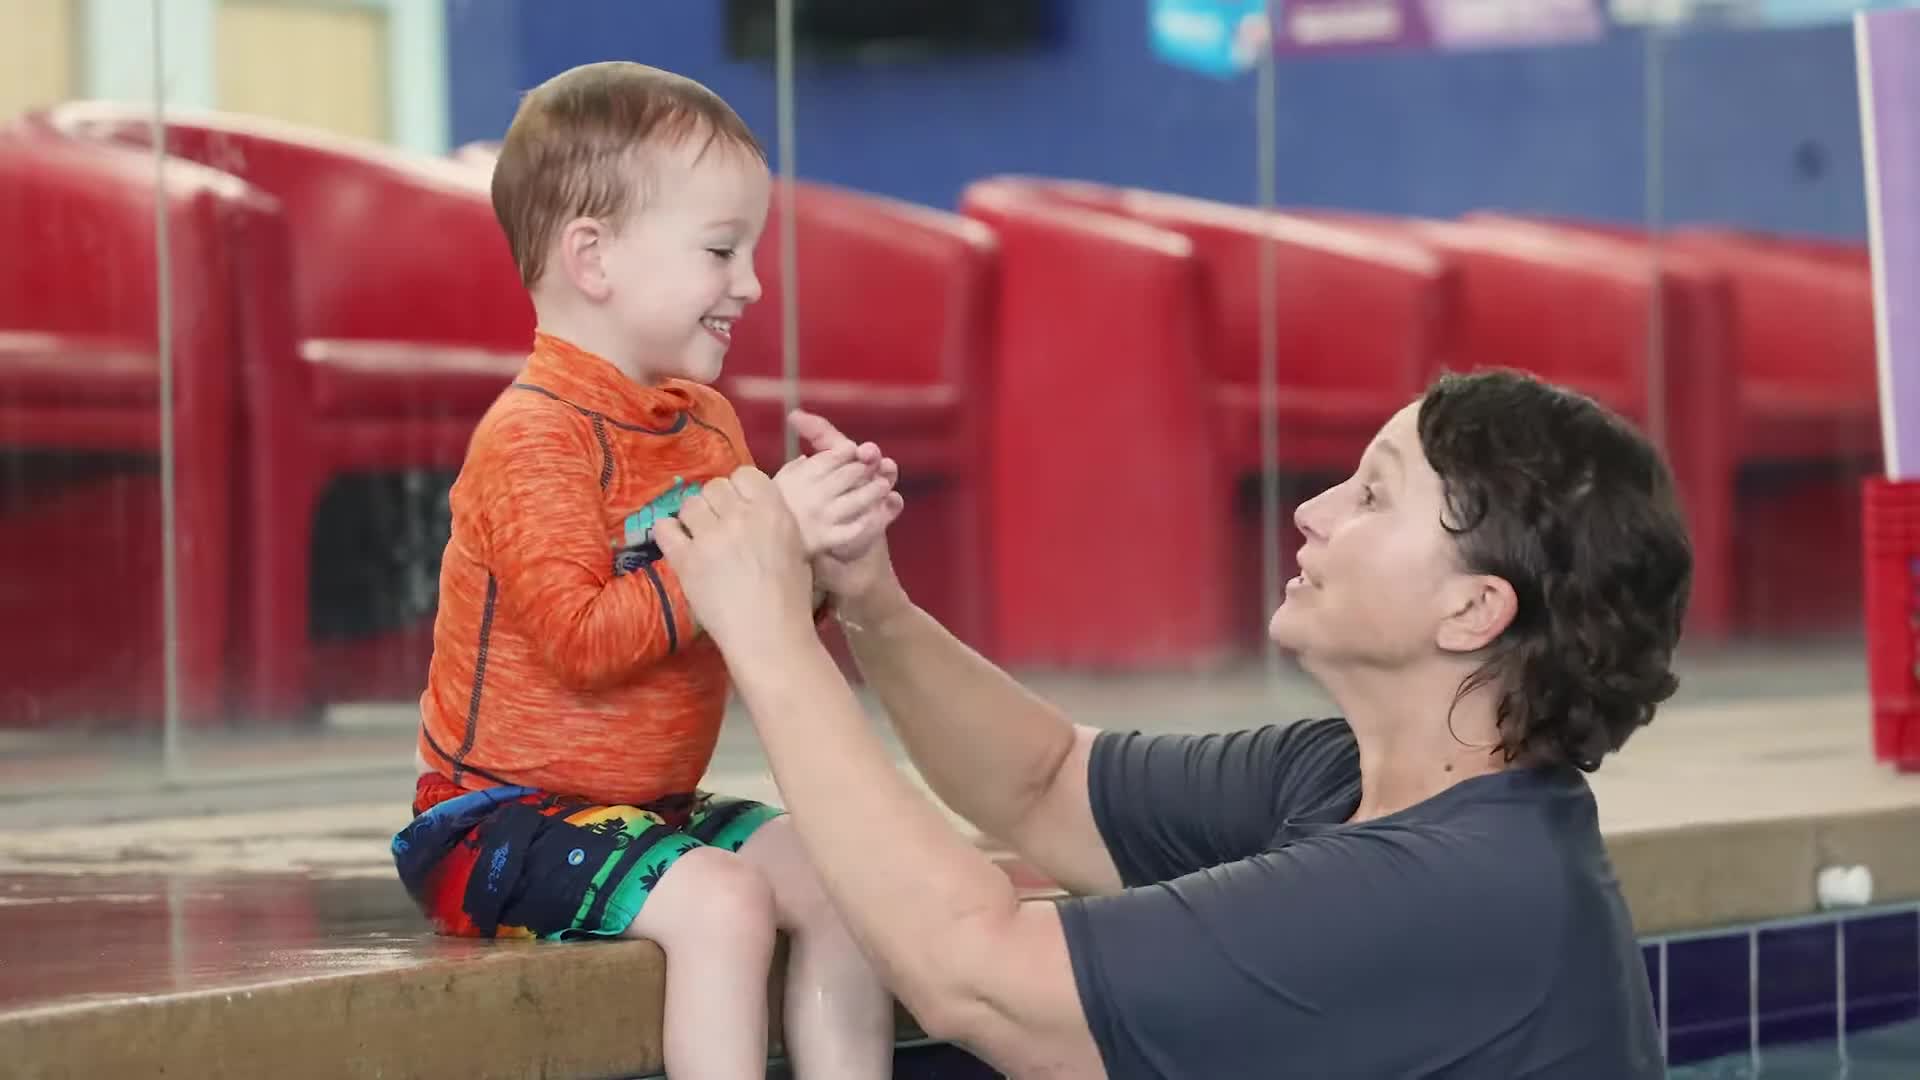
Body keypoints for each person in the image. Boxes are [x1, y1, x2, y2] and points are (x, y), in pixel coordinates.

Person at [655, 368, 1686, 1078]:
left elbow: (981, 981)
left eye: (1374, 495)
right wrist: (870, 610)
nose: (1313, 511)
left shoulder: (1459, 890)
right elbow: (1045, 782)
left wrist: (770, 642)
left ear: (1472, 610)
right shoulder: (1351, 780)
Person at [389, 62, 902, 1079]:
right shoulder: (532, 440)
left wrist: (822, 556)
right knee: (724, 901)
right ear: (594, 257)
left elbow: (750, 617)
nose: (750, 283)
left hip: (650, 811)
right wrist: (762, 530)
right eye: (721, 250)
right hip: (493, 822)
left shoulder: (700, 421)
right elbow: (582, 644)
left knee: (853, 880)